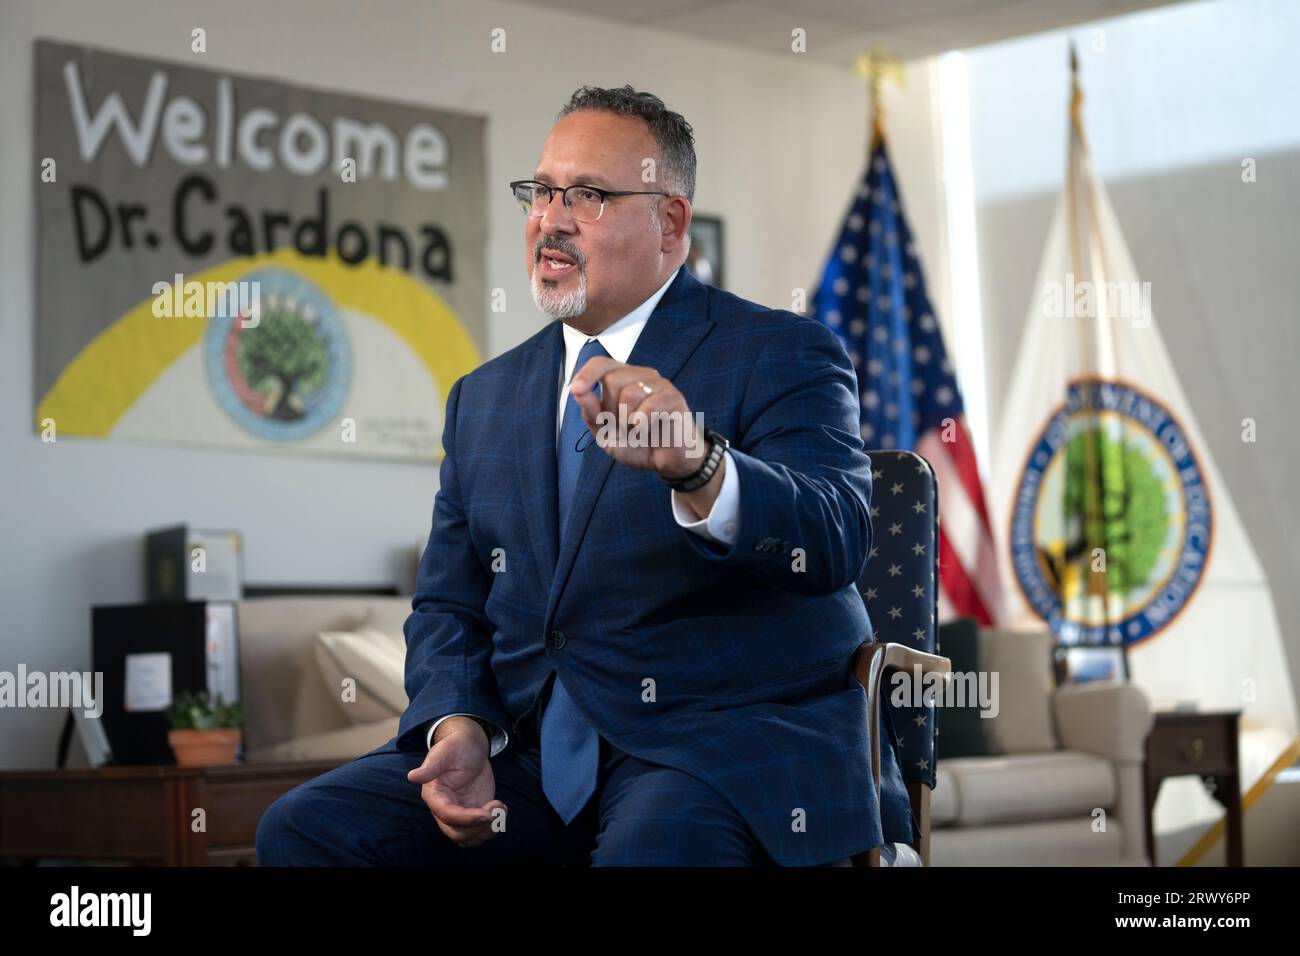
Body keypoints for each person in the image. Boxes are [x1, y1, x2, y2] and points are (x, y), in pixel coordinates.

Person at [256, 85, 915, 867]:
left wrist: (700, 466)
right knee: (303, 829)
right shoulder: (483, 399)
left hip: (715, 746)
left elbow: (834, 538)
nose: (551, 218)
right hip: (531, 761)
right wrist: (457, 722)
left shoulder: (781, 351)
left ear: (670, 222)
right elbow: (448, 604)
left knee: (652, 849)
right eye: (541, 192)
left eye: (590, 195)